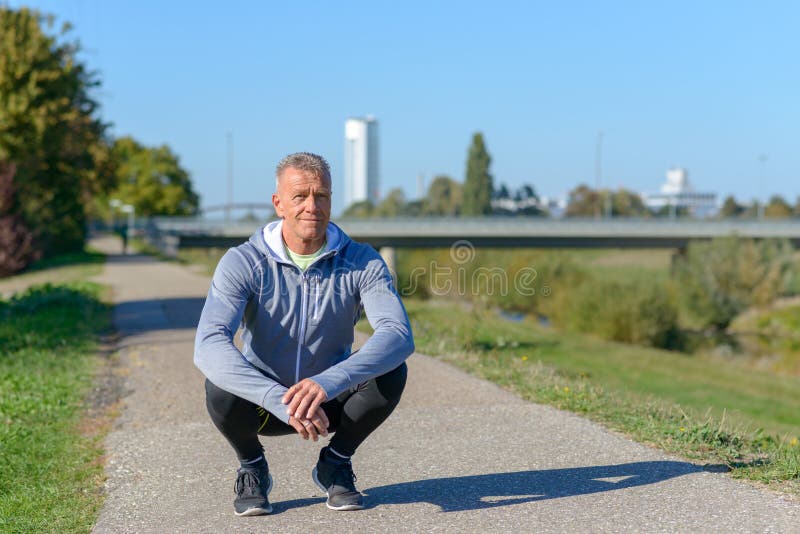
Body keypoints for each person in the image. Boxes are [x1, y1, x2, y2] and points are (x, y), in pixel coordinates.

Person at [194, 152, 414, 516]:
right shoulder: (243, 261)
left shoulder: (362, 260)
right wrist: (277, 397)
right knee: (219, 383)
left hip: (328, 402)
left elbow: (397, 334)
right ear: (279, 203)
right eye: (300, 196)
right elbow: (208, 343)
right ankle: (252, 466)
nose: (312, 206)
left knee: (392, 368)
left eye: (322, 195)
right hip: (265, 404)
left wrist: (328, 382)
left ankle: (336, 462)